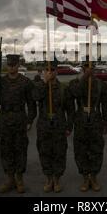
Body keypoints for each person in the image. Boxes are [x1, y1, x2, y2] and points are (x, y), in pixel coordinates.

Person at [68, 59, 107, 192]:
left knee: (96, 149)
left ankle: (94, 176)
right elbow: (75, 93)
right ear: (83, 68)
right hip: (81, 119)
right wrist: (84, 78)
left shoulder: (100, 84)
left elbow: (106, 104)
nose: (89, 69)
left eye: (91, 67)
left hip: (96, 119)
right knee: (81, 150)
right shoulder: (75, 82)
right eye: (86, 67)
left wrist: (106, 122)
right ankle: (85, 177)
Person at [0, 54, 37, 194]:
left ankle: (19, 179)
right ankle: (10, 179)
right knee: (6, 149)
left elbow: (32, 105)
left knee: (20, 149)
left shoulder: (26, 82)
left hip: (20, 118)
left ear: (18, 65)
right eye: (9, 65)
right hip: (5, 118)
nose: (11, 67)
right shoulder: (1, 82)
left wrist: (30, 120)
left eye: (14, 65)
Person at [33, 61, 73, 193]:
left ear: (56, 72)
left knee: (59, 153)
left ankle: (57, 179)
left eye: (52, 70)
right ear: (44, 72)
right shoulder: (40, 86)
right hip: (44, 126)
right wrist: (45, 82)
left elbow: (70, 109)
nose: (50, 72)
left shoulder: (63, 89)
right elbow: (35, 97)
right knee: (45, 152)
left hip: (59, 125)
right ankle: (49, 179)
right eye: (47, 70)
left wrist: (69, 126)